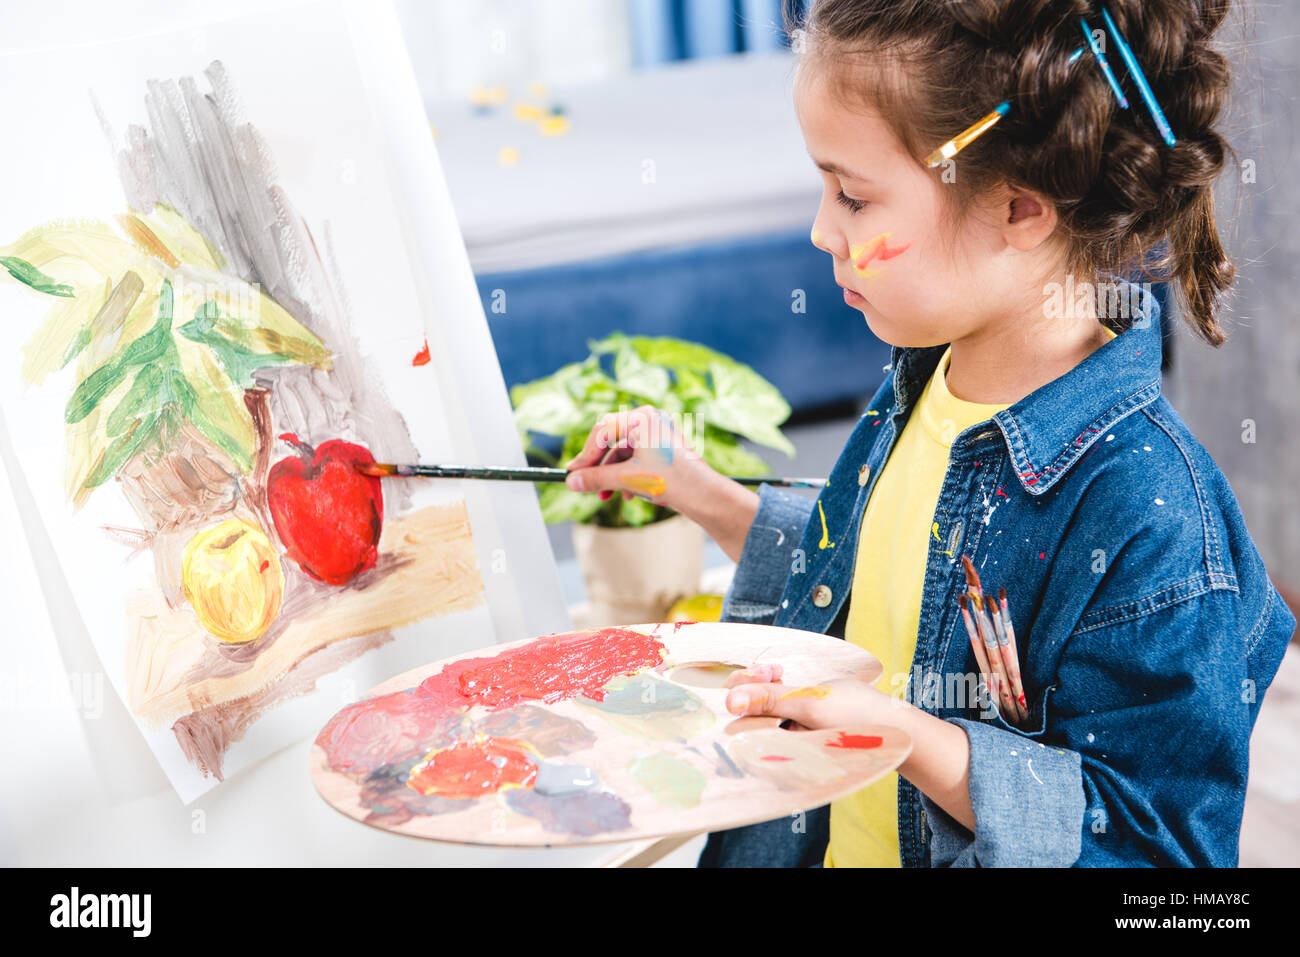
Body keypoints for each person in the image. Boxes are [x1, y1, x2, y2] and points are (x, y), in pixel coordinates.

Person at [562, 0, 1294, 866]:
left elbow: (1159, 856)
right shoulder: (926, 383)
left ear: (1022, 208)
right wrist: (698, 490)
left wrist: (914, 738)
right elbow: (881, 568)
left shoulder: (1152, 514)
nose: (821, 228)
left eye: (854, 195)